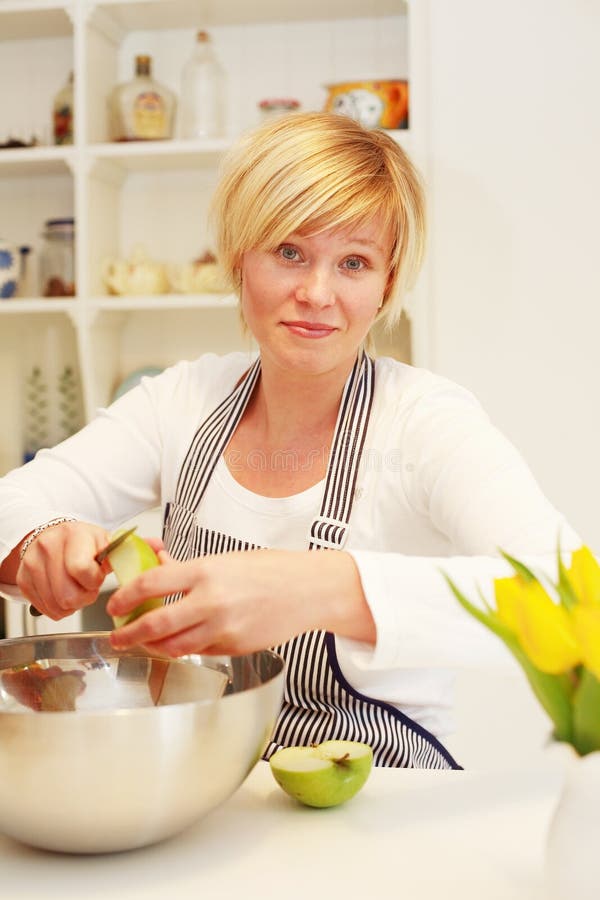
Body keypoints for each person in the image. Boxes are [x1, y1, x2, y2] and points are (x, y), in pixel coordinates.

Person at [0, 111, 580, 768]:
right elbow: (16, 501)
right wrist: (38, 543)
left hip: (382, 799)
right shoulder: (183, 401)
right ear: (238, 259)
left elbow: (571, 598)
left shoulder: (426, 422)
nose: (315, 293)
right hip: (205, 788)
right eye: (289, 252)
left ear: (386, 285)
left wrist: (323, 589)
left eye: (354, 263)